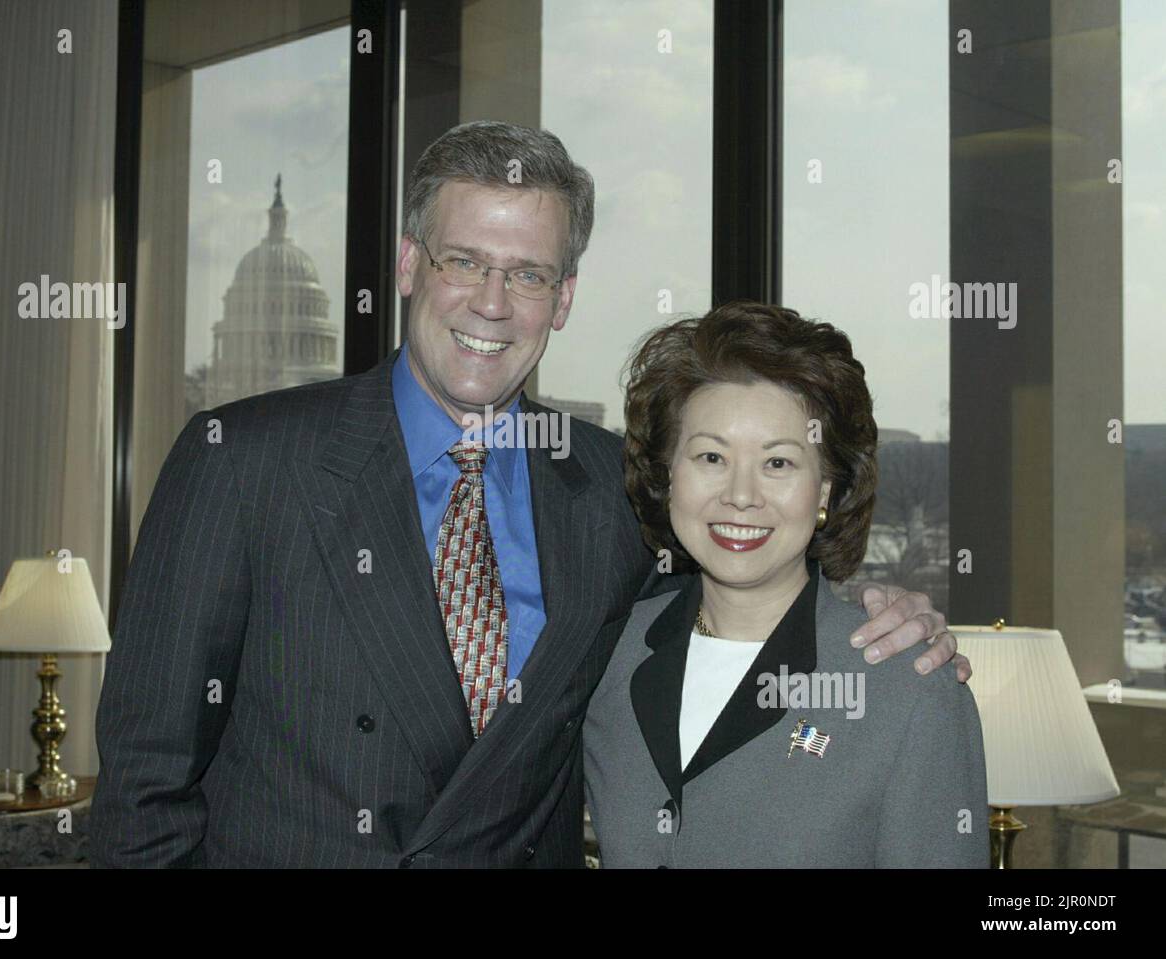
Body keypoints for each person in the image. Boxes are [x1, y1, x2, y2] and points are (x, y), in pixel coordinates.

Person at [91, 121, 969, 868]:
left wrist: (871, 611)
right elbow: (145, 787)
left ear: (566, 297)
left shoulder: (612, 491)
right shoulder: (243, 463)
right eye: (463, 260)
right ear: (407, 264)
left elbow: (738, 571)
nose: (492, 303)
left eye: (529, 274)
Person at [584, 302, 988, 867]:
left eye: (778, 463)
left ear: (824, 491)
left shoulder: (909, 691)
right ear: (668, 475)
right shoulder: (606, 654)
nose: (741, 494)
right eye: (710, 456)